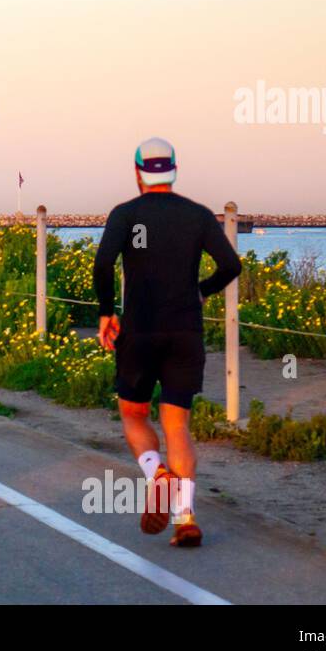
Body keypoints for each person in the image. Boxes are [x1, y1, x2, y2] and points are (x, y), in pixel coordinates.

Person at [93, 138, 241, 547]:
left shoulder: (125, 215)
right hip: (184, 332)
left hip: (139, 331)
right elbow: (231, 265)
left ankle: (157, 474)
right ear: (174, 169)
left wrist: (106, 312)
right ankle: (186, 517)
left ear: (138, 171)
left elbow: (104, 263)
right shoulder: (197, 216)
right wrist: (202, 290)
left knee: (133, 413)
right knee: (177, 423)